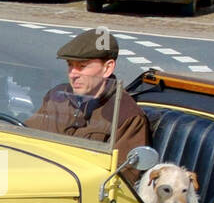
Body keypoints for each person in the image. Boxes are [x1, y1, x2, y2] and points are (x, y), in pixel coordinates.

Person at [25, 29, 150, 167]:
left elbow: (122, 176)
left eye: (82, 66)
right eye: (70, 65)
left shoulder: (126, 115)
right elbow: (26, 138)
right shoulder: (57, 97)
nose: (73, 74)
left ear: (107, 68)